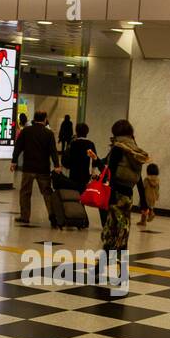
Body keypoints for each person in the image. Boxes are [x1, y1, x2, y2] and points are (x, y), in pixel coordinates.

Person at [100, 120, 149, 286]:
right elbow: (139, 179)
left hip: (115, 194)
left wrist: (107, 193)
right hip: (128, 196)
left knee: (110, 230)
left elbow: (110, 172)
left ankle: (104, 268)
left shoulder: (118, 148)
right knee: (122, 232)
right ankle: (120, 271)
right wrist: (144, 203)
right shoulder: (135, 149)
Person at [12, 110, 59, 225]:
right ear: (45, 119)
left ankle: (25, 216)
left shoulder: (26, 131)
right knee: (47, 192)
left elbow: (18, 147)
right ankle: (52, 215)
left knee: (25, 193)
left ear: (34, 118)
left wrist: (14, 161)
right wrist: (57, 165)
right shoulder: (49, 133)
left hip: (28, 167)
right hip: (43, 168)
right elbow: (53, 151)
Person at [61, 122, 97, 192]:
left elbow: (65, 160)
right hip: (86, 173)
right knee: (83, 192)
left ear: (76, 131)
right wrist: (93, 171)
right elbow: (94, 159)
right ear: (87, 132)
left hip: (74, 173)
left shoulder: (73, 143)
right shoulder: (90, 144)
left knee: (74, 192)